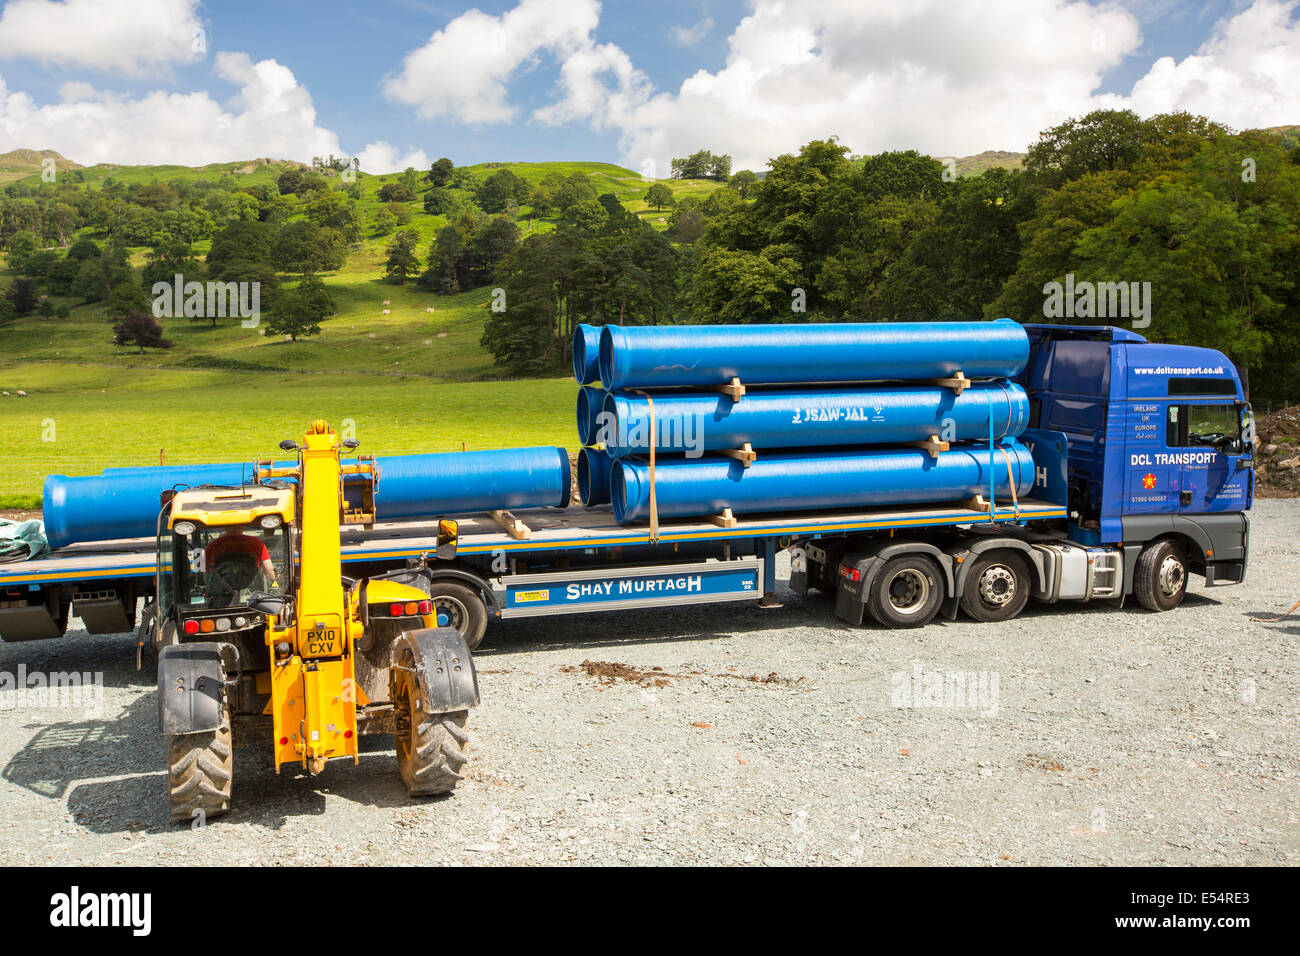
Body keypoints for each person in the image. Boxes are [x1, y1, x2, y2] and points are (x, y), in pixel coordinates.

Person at [204, 528, 277, 588]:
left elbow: (207, 579)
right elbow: (270, 571)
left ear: (223, 526)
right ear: (243, 525)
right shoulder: (257, 543)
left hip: (222, 599)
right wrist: (274, 580)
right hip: (254, 600)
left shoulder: (212, 547)